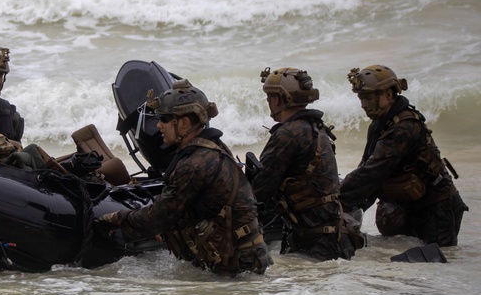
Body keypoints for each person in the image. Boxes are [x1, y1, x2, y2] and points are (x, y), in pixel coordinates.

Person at [99, 79, 272, 276]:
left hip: (236, 269)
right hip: (244, 261)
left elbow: (159, 216)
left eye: (164, 119)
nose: (158, 125)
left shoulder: (194, 163)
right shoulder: (214, 148)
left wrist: (118, 218)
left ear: (184, 123)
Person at [340, 65, 467, 246]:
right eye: (360, 97)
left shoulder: (404, 126)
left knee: (436, 265)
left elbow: (373, 172)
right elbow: (366, 171)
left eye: (368, 97)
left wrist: (335, 198)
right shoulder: (379, 125)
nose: (363, 104)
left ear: (389, 95)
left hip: (437, 210)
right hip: (409, 207)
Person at [251, 67, 359, 260]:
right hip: (331, 236)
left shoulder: (288, 133)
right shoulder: (316, 127)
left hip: (312, 244)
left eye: (270, 98)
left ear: (278, 99)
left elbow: (259, 189)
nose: (269, 103)